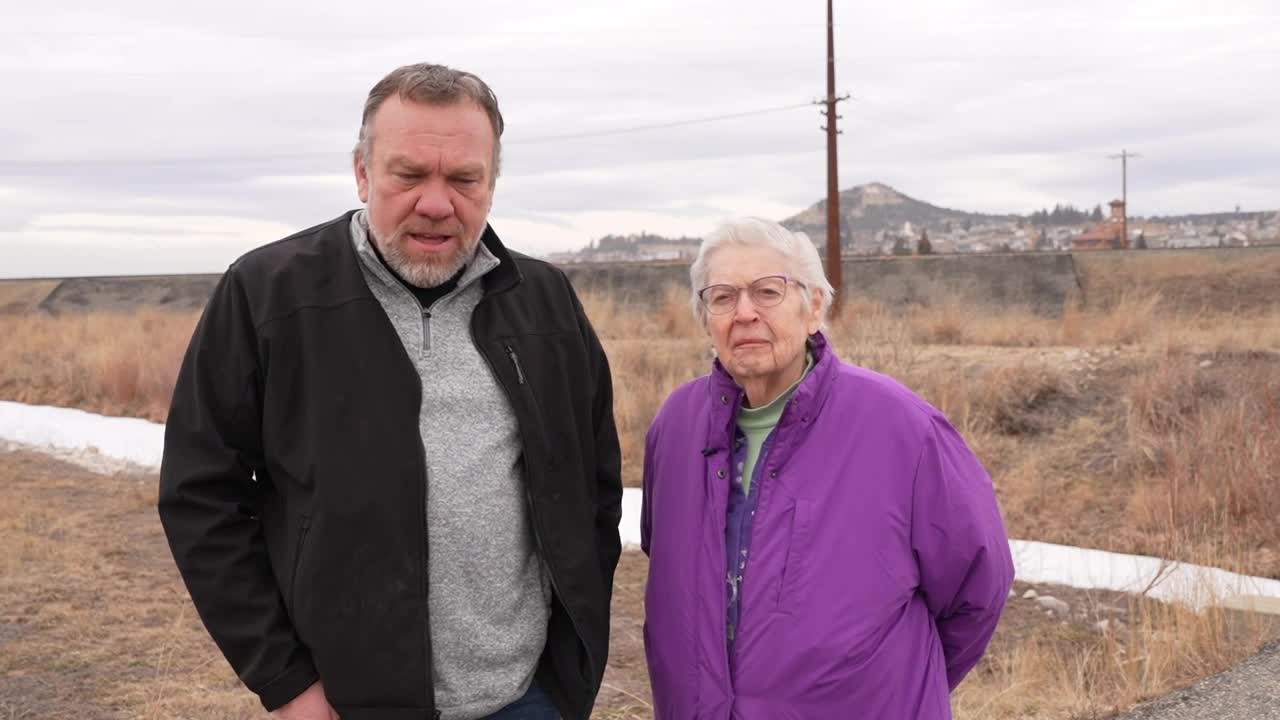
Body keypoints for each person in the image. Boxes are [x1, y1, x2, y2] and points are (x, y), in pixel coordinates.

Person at [158, 63, 622, 720]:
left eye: (464, 178)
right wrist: (286, 682)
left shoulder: (545, 302)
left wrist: (569, 671)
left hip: (528, 697)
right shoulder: (267, 296)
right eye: (409, 175)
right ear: (362, 172)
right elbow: (200, 498)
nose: (437, 203)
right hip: (346, 704)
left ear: (492, 183)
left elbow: (593, 489)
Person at [640, 217, 1014, 718]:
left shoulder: (901, 427)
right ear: (705, 318)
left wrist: (901, 687)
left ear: (814, 306)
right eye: (723, 297)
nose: (744, 313)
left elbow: (978, 584)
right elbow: (665, 563)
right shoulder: (677, 425)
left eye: (768, 291)